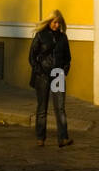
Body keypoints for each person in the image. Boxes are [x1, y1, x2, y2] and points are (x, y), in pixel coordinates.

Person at [28, 9, 73, 147]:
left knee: (60, 108)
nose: (56, 25)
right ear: (49, 22)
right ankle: (41, 138)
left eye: (59, 22)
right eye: (54, 22)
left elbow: (68, 58)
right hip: (43, 76)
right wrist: (39, 70)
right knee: (42, 108)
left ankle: (63, 138)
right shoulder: (40, 36)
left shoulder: (63, 37)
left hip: (58, 75)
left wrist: (64, 71)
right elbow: (31, 57)